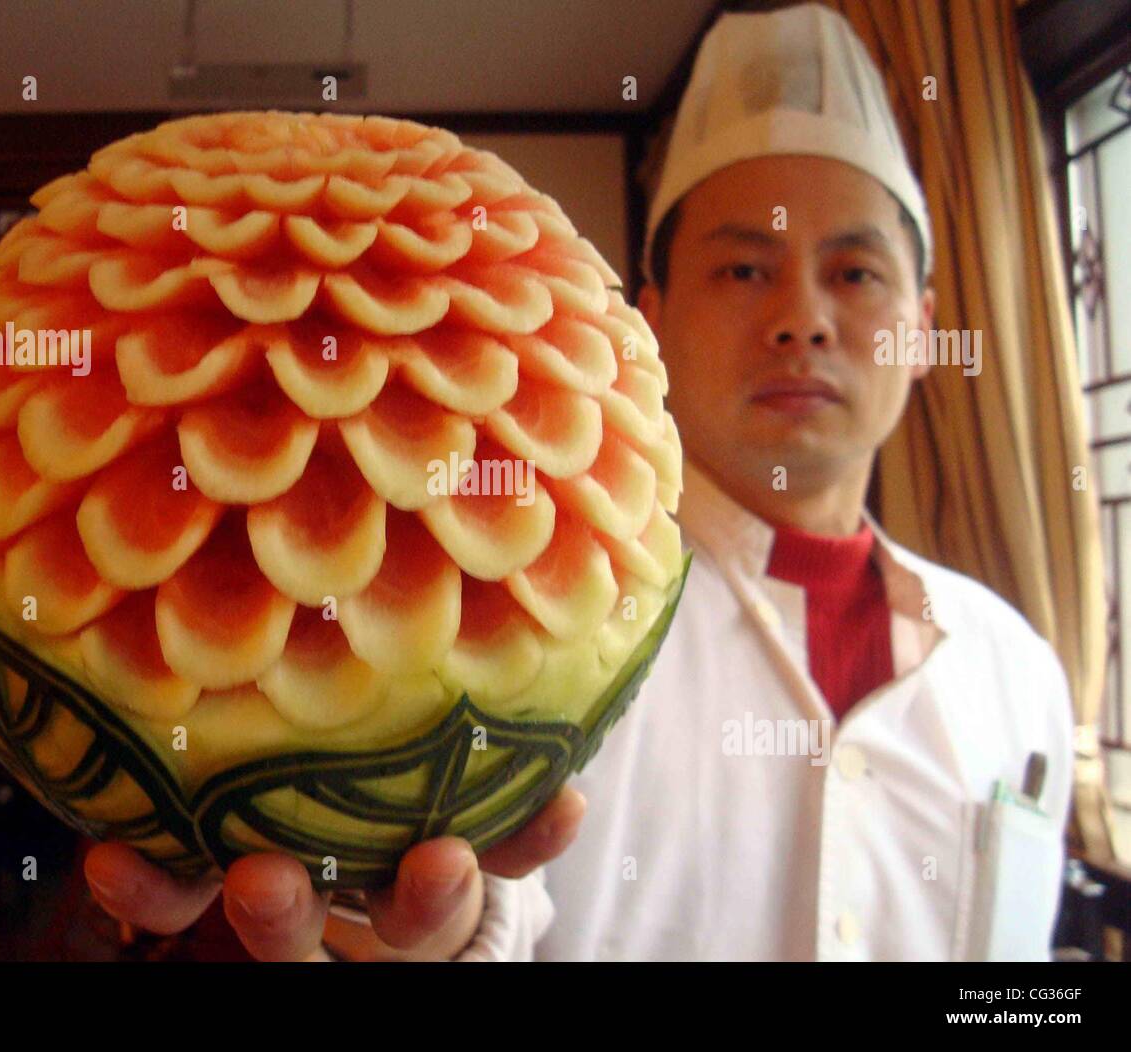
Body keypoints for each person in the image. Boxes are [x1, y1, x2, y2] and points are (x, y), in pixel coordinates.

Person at [85, 2, 1074, 961]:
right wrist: (394, 926)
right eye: (742, 270)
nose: (801, 319)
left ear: (921, 323)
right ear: (648, 312)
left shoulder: (1021, 672)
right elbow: (473, 907)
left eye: (855, 274)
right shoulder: (543, 611)